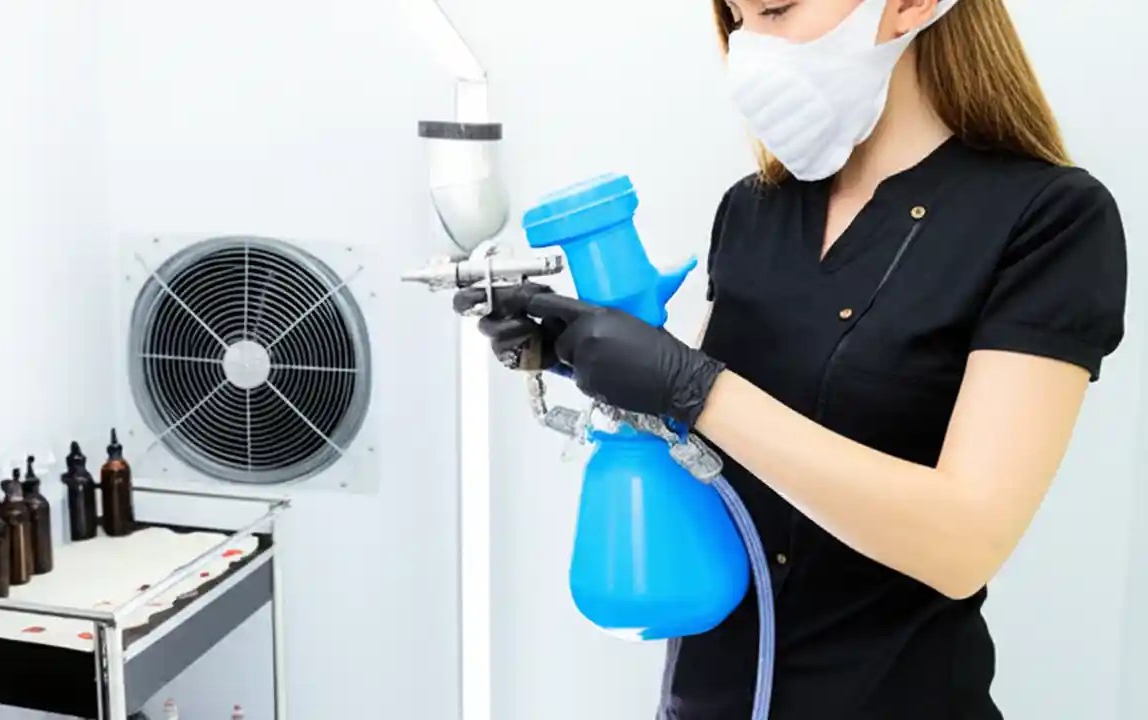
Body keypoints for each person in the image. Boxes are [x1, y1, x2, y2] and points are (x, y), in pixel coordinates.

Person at [452, 0, 1128, 718]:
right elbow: (724, 469)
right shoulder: (753, 210)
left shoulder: (1049, 219)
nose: (749, 49)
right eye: (737, 19)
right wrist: (596, 362)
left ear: (911, 6)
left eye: (776, 9)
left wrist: (692, 385)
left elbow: (963, 543)